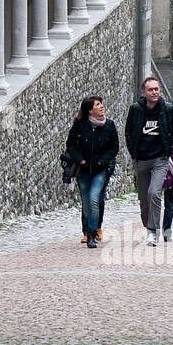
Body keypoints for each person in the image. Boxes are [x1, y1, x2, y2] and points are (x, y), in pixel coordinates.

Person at [125, 76, 173, 246]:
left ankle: (153, 230)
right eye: (151, 89)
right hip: (141, 159)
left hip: (160, 159)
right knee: (144, 199)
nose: (155, 92)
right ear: (144, 92)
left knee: (154, 193)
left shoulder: (168, 110)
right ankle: (148, 225)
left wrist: (168, 151)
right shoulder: (135, 109)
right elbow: (128, 132)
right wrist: (133, 153)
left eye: (157, 89)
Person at [65, 96, 119, 248]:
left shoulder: (109, 125)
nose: (101, 106)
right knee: (87, 203)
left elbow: (114, 148)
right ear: (90, 110)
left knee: (95, 199)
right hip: (83, 170)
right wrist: (80, 159)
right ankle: (87, 229)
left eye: (101, 103)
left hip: (100, 170)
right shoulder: (80, 125)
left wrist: (103, 161)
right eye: (97, 104)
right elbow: (70, 144)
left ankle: (92, 233)